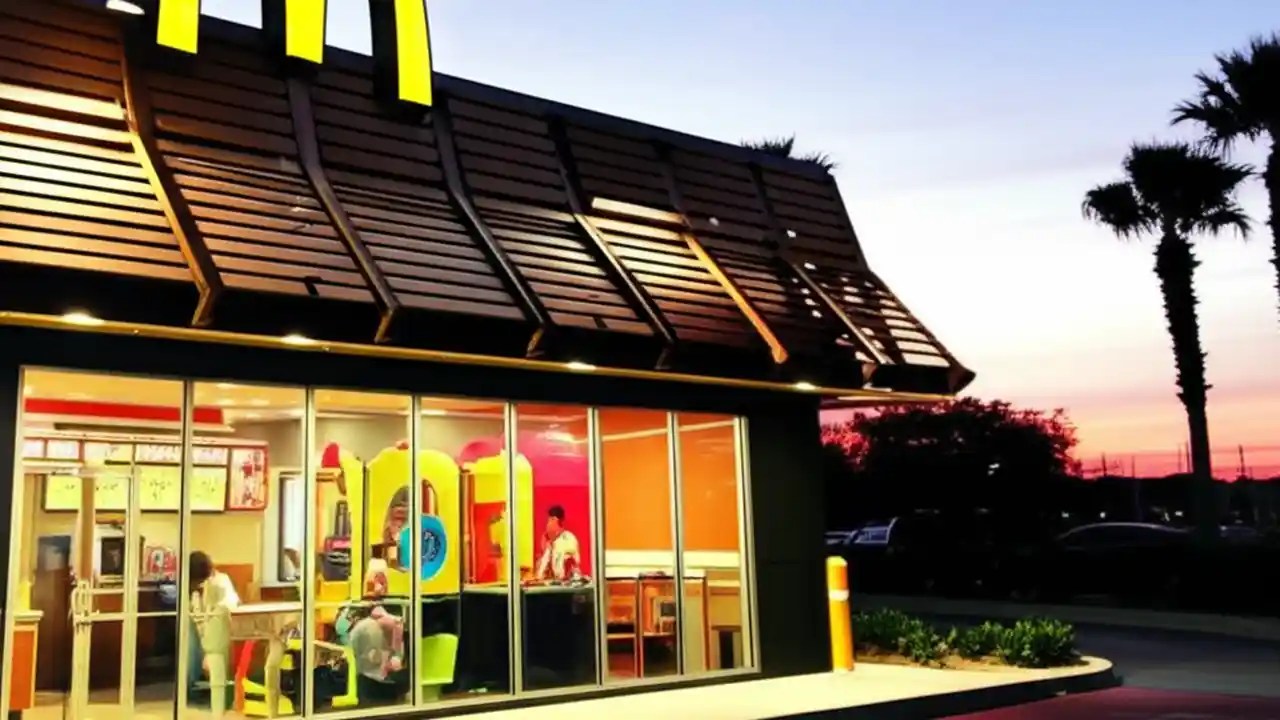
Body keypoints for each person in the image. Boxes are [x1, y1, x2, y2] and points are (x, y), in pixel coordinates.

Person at [187, 551, 240, 704]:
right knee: (188, 630)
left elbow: (229, 605)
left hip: (220, 629)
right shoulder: (194, 590)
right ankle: (192, 683)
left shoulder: (220, 581)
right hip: (202, 628)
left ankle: (199, 685)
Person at [534, 505, 580, 582]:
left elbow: (570, 563)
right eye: (548, 520)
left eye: (552, 520)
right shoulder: (551, 543)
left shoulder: (569, 538)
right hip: (556, 583)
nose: (549, 524)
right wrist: (539, 576)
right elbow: (543, 565)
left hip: (568, 584)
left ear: (560, 521)